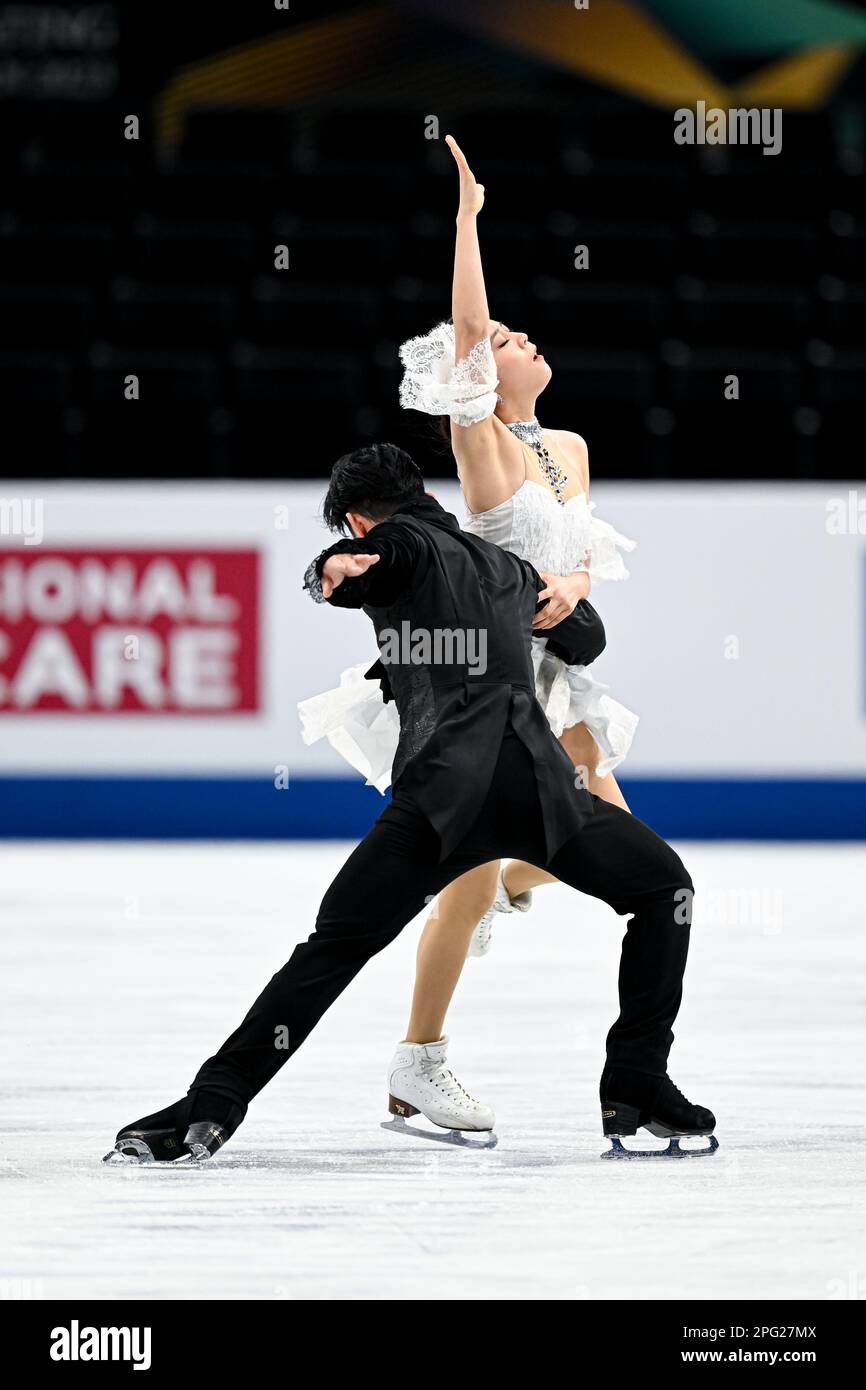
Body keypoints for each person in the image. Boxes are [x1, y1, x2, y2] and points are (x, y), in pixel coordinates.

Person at [104, 443, 716, 1166]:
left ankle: (211, 1104)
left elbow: (372, 563)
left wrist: (334, 570)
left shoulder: (396, 545)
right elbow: (586, 639)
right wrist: (558, 594)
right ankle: (637, 1084)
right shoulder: (507, 569)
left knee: (332, 949)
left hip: (439, 804)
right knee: (664, 891)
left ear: (356, 520)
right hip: (537, 794)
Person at [299, 135, 639, 1130]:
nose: (518, 338)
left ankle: (493, 908)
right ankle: (420, 1058)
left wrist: (571, 582)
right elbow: (469, 331)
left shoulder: (569, 446)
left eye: (520, 335)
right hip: (486, 682)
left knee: (610, 839)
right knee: (478, 874)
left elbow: (583, 551)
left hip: (553, 674)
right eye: (507, 338)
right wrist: (466, 221)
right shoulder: (481, 444)